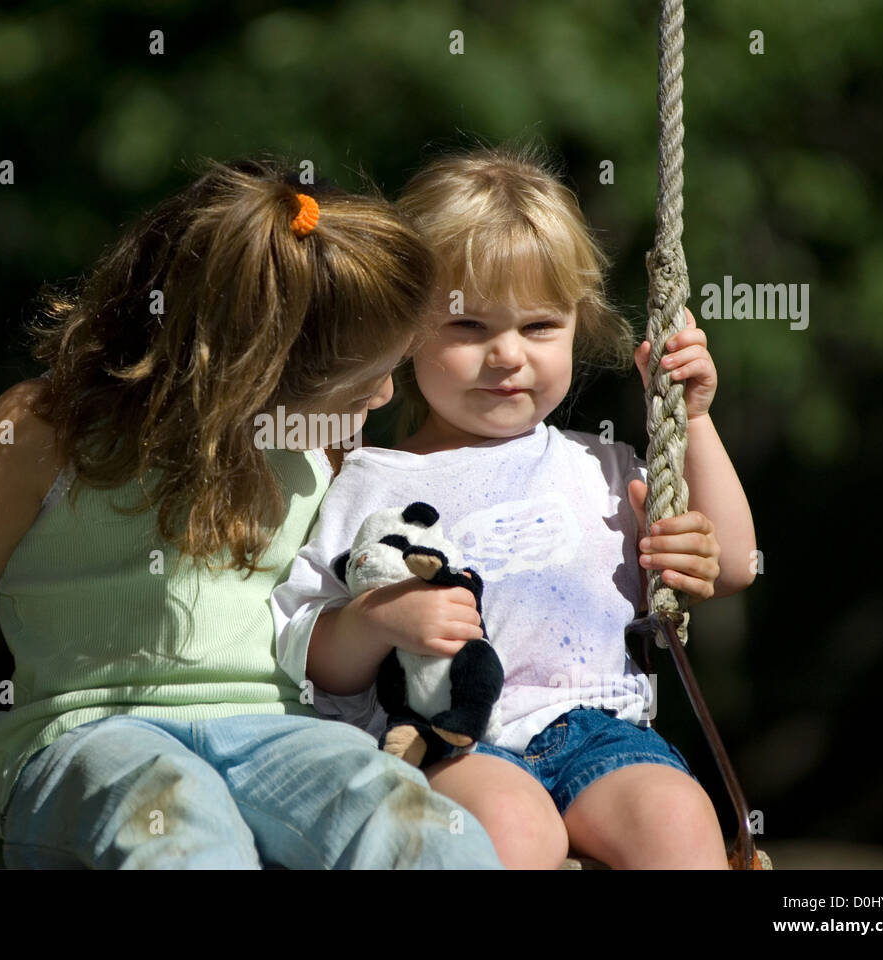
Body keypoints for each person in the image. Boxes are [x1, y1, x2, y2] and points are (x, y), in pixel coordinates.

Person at [0, 155, 506, 869]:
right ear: (258, 373)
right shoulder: (45, 431)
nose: (383, 396)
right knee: (182, 827)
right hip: (91, 739)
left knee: (409, 820)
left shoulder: (322, 443)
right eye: (363, 381)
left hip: (279, 733)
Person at [271, 143, 757, 869]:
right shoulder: (367, 481)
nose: (507, 356)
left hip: (601, 730)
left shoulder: (600, 466)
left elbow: (733, 566)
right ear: (407, 333)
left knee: (680, 818)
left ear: (576, 325)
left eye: (538, 327)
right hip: (451, 740)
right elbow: (307, 652)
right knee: (518, 829)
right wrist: (376, 620)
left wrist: (693, 423)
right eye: (469, 327)